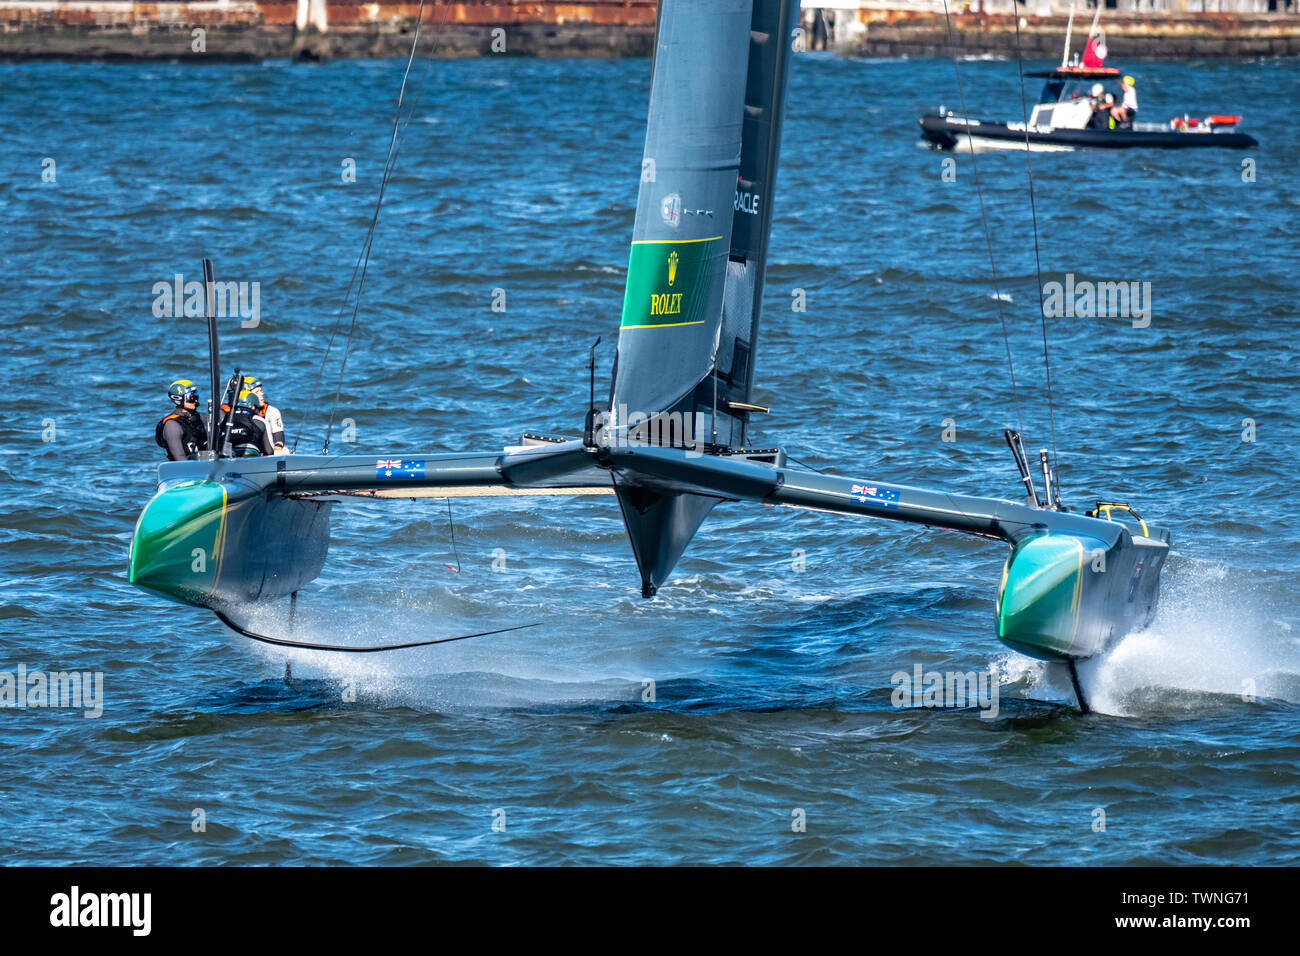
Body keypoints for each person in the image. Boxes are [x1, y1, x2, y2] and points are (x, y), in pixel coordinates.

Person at [155, 379, 209, 461]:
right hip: (183, 470)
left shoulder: (200, 417)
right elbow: (180, 459)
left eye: (196, 395)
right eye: (191, 397)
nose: (195, 400)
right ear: (179, 399)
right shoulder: (172, 425)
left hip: (204, 463)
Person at [222, 383, 274, 457]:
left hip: (228, 454)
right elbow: (269, 451)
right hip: (251, 454)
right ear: (253, 406)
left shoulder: (226, 417)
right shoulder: (259, 420)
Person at [247, 377, 287, 454]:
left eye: (261, 391)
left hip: (267, 452)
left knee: (284, 450)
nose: (262, 394)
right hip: (246, 450)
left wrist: (277, 450)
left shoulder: (272, 412)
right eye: (257, 392)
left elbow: (279, 438)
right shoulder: (236, 412)